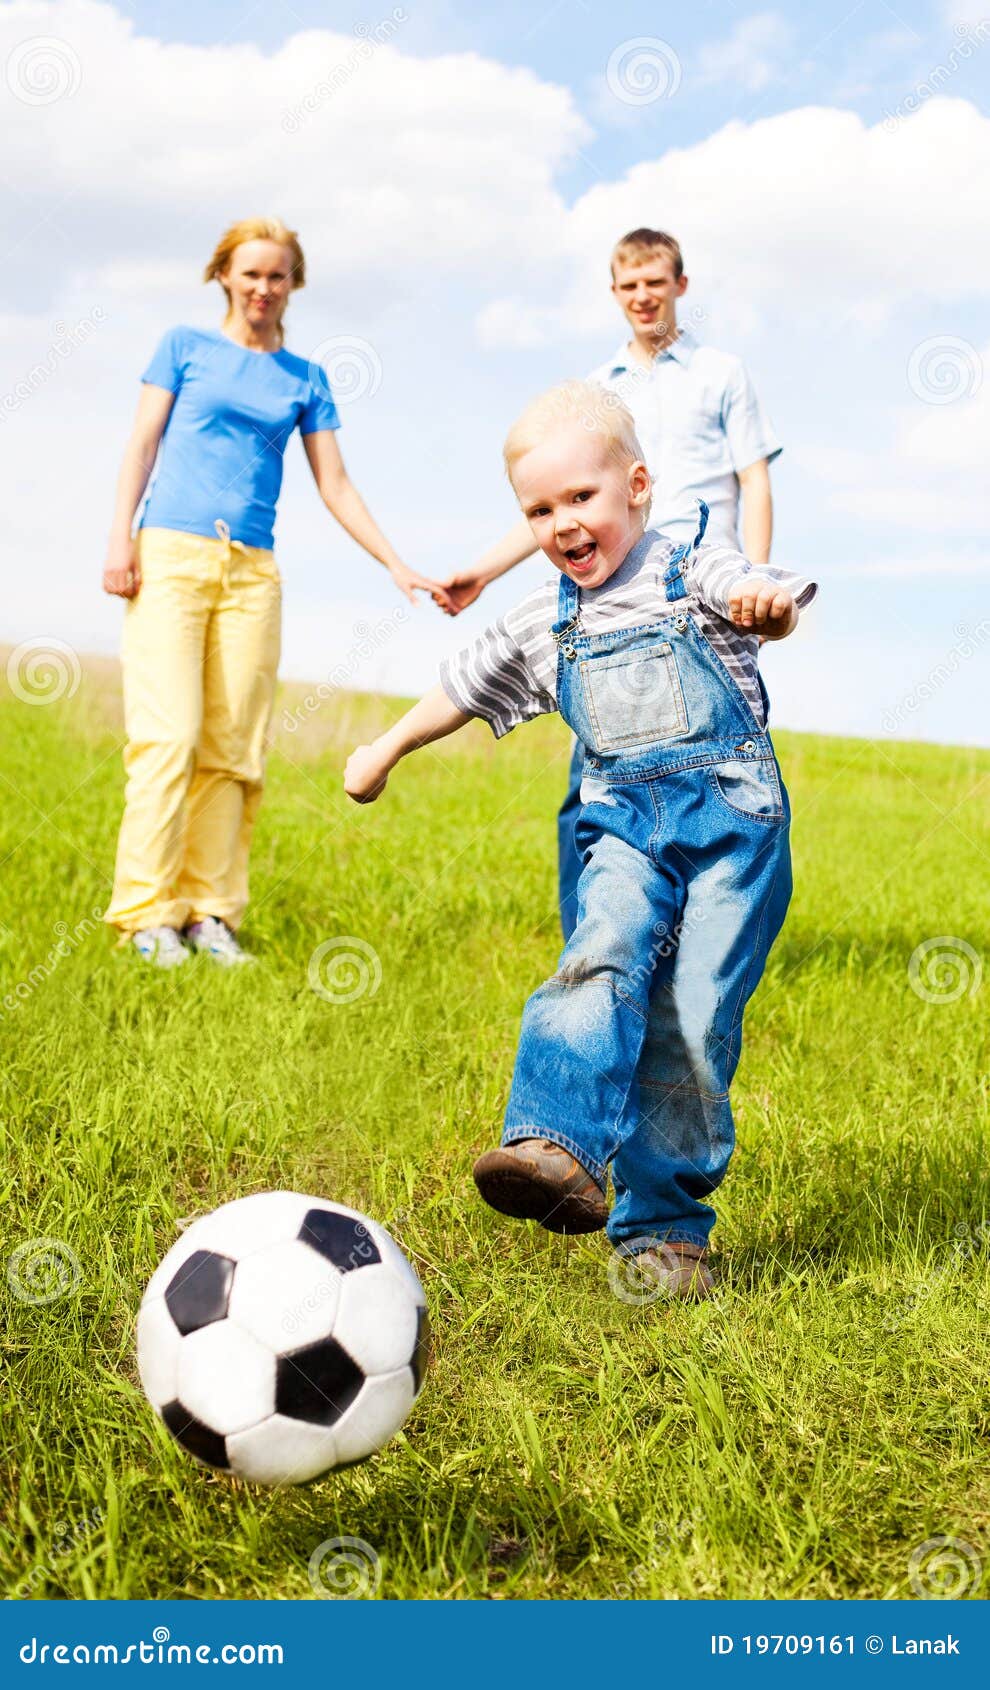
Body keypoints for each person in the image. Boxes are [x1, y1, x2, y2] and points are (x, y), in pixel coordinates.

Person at [344, 382, 817, 1299]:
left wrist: (769, 606)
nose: (562, 522)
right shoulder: (542, 617)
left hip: (733, 838)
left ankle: (667, 1232)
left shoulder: (693, 563)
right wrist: (387, 746)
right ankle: (552, 1146)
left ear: (636, 487)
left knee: (689, 1023)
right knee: (598, 959)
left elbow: (758, 591)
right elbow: (462, 683)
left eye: (580, 499)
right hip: (625, 835)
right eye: (540, 509)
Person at [102, 216, 451, 967]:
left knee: (234, 747)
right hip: (169, 553)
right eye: (251, 272)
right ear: (223, 274)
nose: (264, 287)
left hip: (252, 572)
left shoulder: (306, 379)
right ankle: (146, 915)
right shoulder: (183, 348)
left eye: (278, 275)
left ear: (294, 284)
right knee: (169, 737)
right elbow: (141, 445)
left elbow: (336, 484)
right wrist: (119, 538)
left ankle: (210, 915)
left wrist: (396, 563)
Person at [436, 228, 782, 940]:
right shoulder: (597, 392)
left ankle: (701, 931)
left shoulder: (720, 373)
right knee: (595, 777)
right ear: (615, 294)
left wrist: (752, 585)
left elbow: (755, 480)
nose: (643, 297)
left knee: (711, 764)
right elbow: (562, 504)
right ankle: (595, 940)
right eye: (629, 286)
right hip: (612, 604)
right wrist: (482, 570)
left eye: (655, 282)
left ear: (679, 286)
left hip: (698, 597)